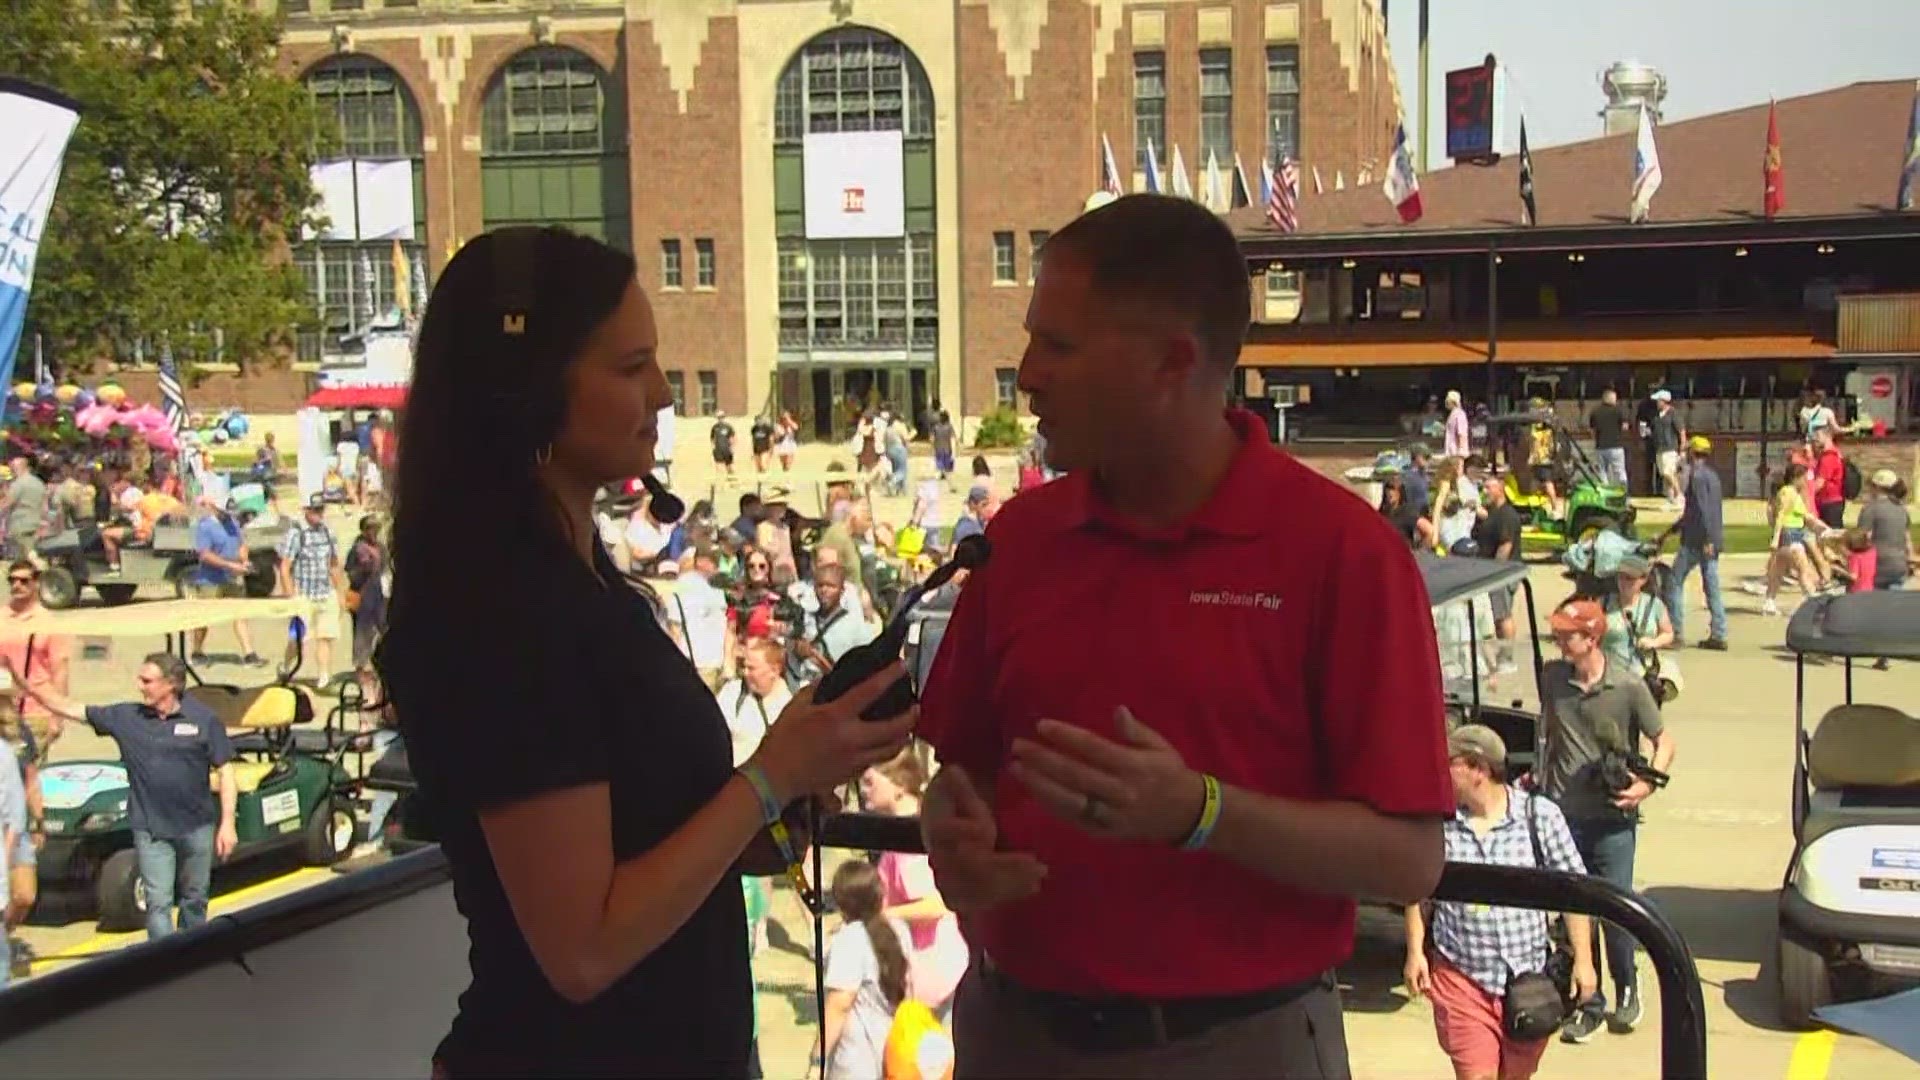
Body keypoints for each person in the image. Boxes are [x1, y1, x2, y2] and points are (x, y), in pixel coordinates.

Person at [917, 195, 1451, 1079]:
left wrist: (1200, 813)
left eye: (1059, 345)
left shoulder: (1342, 555)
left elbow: (1409, 859)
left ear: (1173, 362)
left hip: (1235, 1047)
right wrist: (951, 829)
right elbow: (962, 772)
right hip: (1011, 1034)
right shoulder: (1020, 539)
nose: (1026, 375)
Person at [370, 226, 917, 1079]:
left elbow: (635, 846)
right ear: (530, 393)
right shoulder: (507, 615)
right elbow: (581, 948)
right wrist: (769, 776)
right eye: (631, 368)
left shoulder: (578, 583)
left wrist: (768, 820)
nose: (663, 392)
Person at [1404, 725, 1596, 1080]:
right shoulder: (1439, 825)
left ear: (1479, 769)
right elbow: (1419, 892)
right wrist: (1415, 951)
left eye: (1450, 763)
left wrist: (1584, 961)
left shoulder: (1539, 818)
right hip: (1461, 977)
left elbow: (1575, 893)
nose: (1440, 772)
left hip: (1529, 983)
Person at [8, 651, 237, 941]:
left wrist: (227, 823)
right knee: (158, 904)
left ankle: (191, 955)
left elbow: (226, 771)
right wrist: (26, 683)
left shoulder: (204, 720)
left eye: (147, 680)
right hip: (151, 829)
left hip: (197, 827)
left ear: (171, 684)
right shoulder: (126, 717)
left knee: (194, 899)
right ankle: (163, 963)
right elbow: (67, 707)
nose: (139, 685)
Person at [1532, 600, 1675, 1043]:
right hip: (1562, 817)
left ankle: (1627, 986)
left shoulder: (1627, 687)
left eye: (1566, 635)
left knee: (1616, 912)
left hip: (1612, 820)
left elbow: (1663, 739)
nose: (1557, 642)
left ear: (1591, 639)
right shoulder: (1553, 679)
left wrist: (1646, 786)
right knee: (1575, 914)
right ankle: (1587, 1003)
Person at [1658, 437, 1727, 651]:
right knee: (1712, 587)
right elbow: (1698, 513)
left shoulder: (1696, 478)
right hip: (1712, 539)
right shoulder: (1713, 477)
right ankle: (1719, 633)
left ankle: (1676, 633)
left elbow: (1702, 512)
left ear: (1692, 453)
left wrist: (1705, 539)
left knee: (1673, 582)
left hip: (1696, 541)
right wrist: (1668, 533)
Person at [187, 496, 265, 666]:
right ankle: (197, 651)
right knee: (204, 618)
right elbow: (205, 554)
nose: (228, 515)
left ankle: (249, 654)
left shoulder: (233, 523)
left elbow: (242, 544)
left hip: (233, 577)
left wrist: (244, 561)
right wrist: (229, 565)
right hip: (210, 579)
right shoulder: (205, 526)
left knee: (240, 615)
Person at [1859, 470, 1915, 590]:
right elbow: (1908, 541)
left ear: (1877, 487)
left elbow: (1863, 539)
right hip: (1899, 567)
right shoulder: (1901, 509)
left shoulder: (1870, 509)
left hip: (1878, 568)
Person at [1587, 389, 1629, 489]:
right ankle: (1623, 493)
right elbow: (1625, 427)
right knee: (1619, 471)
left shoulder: (1595, 412)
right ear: (1612, 399)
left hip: (1601, 446)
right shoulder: (1619, 410)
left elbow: (1592, 431)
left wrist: (1596, 439)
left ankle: (1604, 493)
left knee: (1602, 472)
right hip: (1616, 446)